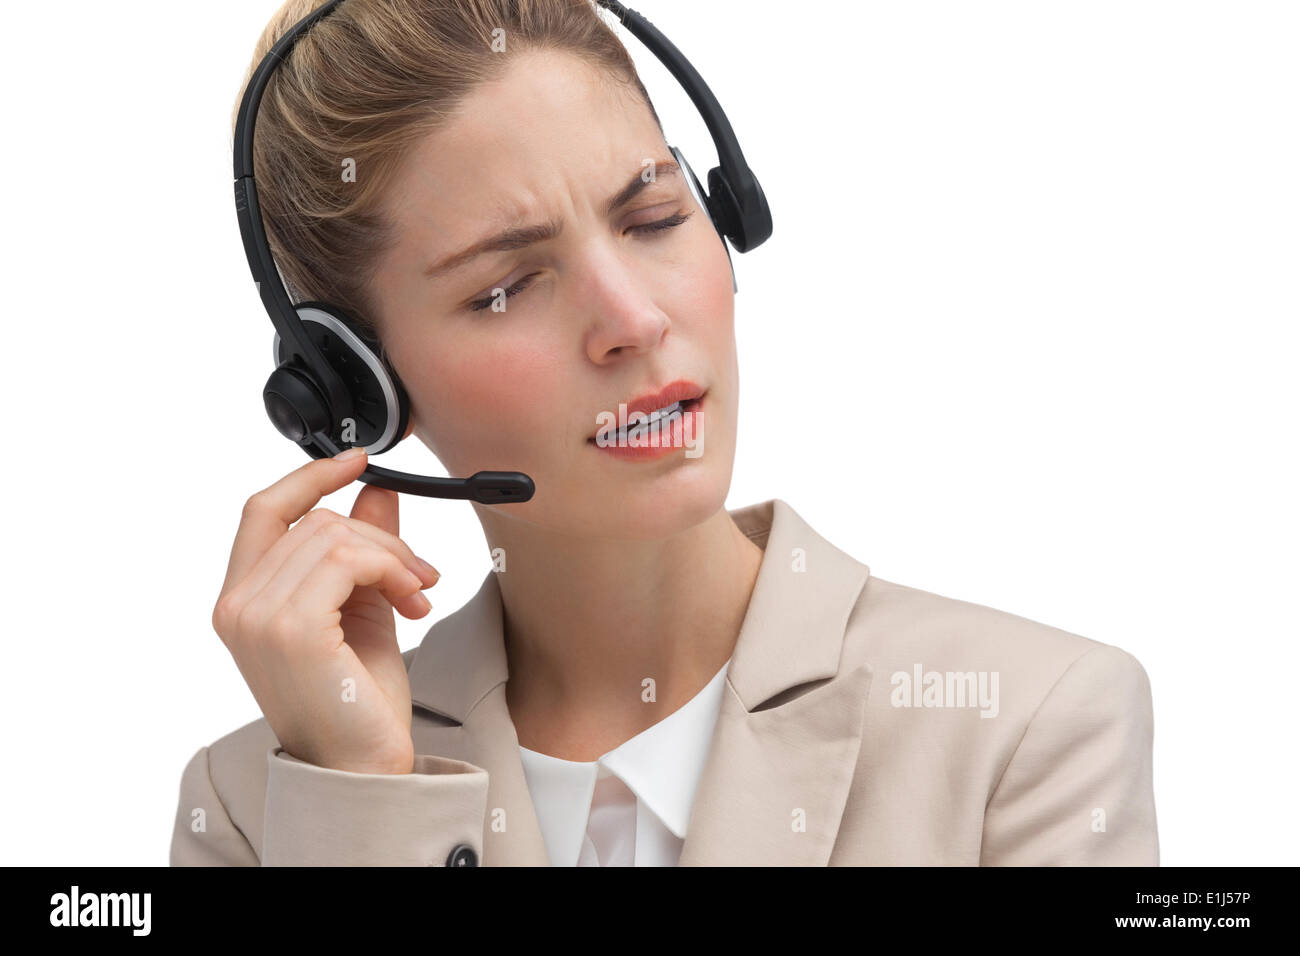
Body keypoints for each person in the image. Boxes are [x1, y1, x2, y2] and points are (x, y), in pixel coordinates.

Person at [170, 0, 1158, 866]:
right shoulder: (258, 805)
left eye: (650, 218)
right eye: (506, 286)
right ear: (358, 381)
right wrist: (365, 808)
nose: (633, 320)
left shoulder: (1029, 724)